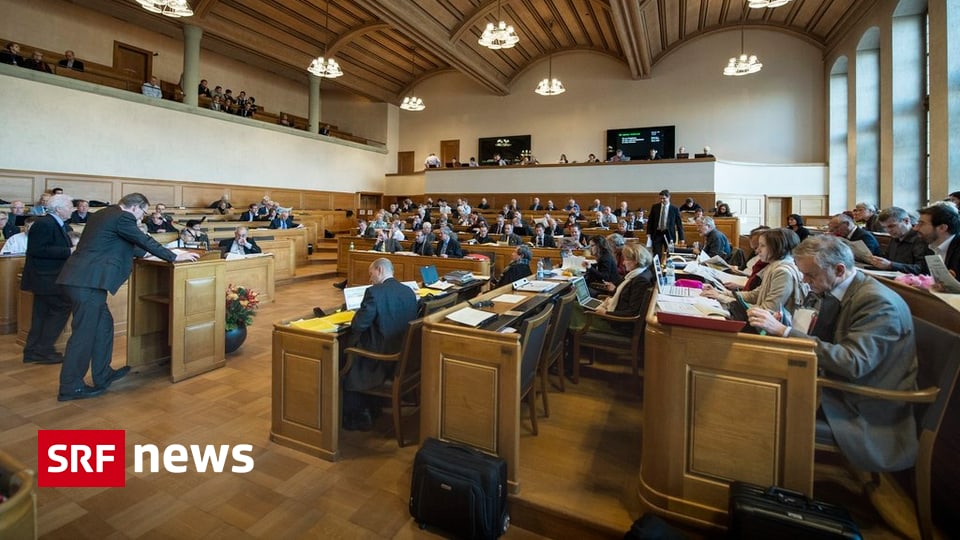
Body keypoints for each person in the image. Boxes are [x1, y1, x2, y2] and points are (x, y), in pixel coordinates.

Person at [747, 235, 917, 472]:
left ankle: (778, 480)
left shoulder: (877, 302)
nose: (804, 281)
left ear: (839, 269)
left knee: (753, 407)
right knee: (751, 387)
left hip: (860, 405)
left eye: (810, 275)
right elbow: (819, 334)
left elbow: (853, 362)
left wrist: (784, 332)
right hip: (831, 384)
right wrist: (784, 322)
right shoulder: (838, 288)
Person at [56, 193, 199, 401]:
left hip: (82, 279)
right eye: (143, 212)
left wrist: (145, 254)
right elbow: (142, 238)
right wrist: (174, 256)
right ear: (135, 207)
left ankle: (103, 373)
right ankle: (71, 386)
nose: (142, 216)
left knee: (104, 326)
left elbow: (120, 241)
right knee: (84, 334)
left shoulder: (104, 213)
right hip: (87, 282)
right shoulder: (123, 217)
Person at [341, 258, 419, 431]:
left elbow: (358, 325)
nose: (370, 279)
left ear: (380, 270)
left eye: (371, 274)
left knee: (344, 357)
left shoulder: (373, 293)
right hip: (403, 354)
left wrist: (357, 314)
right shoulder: (408, 291)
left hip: (382, 357)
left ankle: (358, 415)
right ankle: (372, 407)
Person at [703, 228, 807, 319]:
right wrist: (721, 293)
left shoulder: (782, 272)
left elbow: (767, 310)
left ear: (777, 247)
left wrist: (722, 298)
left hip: (766, 329)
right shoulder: (773, 266)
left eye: (763, 246)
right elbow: (754, 295)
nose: (757, 251)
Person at [21, 194, 76, 364]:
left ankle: (32, 351)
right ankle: (43, 350)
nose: (72, 209)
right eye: (69, 206)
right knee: (62, 306)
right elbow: (37, 250)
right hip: (45, 277)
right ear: (59, 209)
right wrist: (69, 251)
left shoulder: (56, 223)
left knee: (41, 313)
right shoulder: (44, 223)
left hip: (47, 277)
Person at [573, 243, 654, 333]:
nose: (623, 263)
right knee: (577, 305)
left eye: (626, 259)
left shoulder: (640, 281)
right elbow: (626, 297)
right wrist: (610, 300)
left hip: (618, 325)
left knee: (573, 308)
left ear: (635, 261)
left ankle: (574, 336)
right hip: (614, 314)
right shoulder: (641, 273)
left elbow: (632, 313)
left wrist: (605, 313)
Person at [867, 206, 930, 275]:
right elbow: (887, 258)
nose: (888, 230)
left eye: (891, 226)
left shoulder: (921, 238)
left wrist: (891, 265)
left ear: (906, 221)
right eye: (884, 227)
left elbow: (922, 269)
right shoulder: (895, 237)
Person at [916, 202, 960, 277]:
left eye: (921, 224)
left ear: (942, 228)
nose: (915, 228)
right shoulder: (929, 245)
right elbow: (924, 276)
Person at [646, 189, 684, 258]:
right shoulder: (655, 207)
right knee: (656, 253)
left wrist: (681, 238)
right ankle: (656, 265)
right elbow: (650, 221)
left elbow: (679, 224)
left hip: (669, 234)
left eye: (664, 198)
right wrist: (648, 232)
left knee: (670, 253)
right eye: (660, 198)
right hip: (657, 233)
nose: (662, 200)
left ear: (669, 197)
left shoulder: (674, 209)